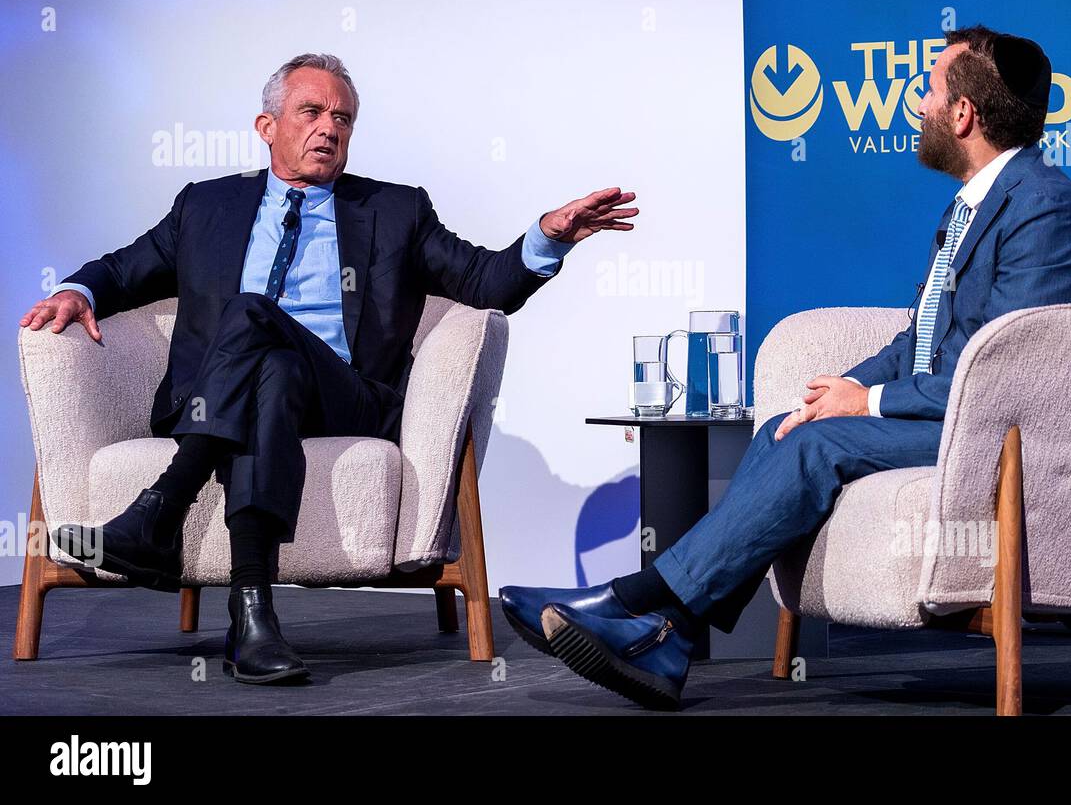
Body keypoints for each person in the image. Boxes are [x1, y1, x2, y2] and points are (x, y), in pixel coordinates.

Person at [499, 26, 1071, 710]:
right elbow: (921, 337)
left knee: (819, 440)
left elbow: (1008, 375)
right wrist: (850, 386)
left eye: (928, 90)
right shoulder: (974, 203)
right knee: (784, 427)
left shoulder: (1043, 208)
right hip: (964, 415)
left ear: (963, 115)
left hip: (1008, 434)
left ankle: (637, 601)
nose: (915, 104)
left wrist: (866, 406)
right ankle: (668, 637)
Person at [21, 52, 637, 684]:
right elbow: (124, 270)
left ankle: (160, 510)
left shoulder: (396, 210)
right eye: (311, 111)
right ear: (267, 126)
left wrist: (548, 237)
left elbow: (485, 281)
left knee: (253, 316)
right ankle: (253, 617)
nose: (329, 128)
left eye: (342, 118)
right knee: (273, 373)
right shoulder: (207, 206)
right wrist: (79, 292)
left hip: (346, 395)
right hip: (232, 397)